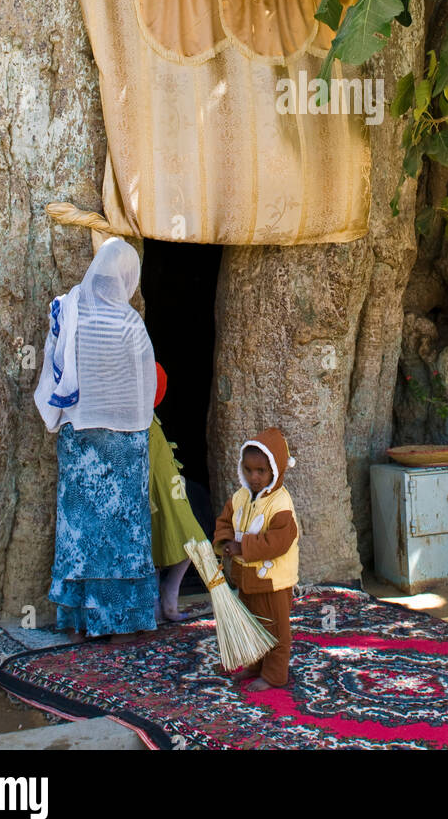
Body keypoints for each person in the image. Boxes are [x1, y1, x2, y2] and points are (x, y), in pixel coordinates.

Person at [34, 237, 157, 638]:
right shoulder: (129, 322)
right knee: (122, 533)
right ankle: (122, 618)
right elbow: (144, 387)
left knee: (82, 530)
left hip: (80, 440)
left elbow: (56, 370)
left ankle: (78, 620)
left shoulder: (70, 314)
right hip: (125, 445)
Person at [213, 427, 298, 690]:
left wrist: (243, 547)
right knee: (253, 624)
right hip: (246, 577)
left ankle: (274, 675)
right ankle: (255, 665)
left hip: (272, 580)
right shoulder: (239, 497)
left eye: (261, 471)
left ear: (275, 470)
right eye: (249, 470)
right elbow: (224, 522)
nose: (254, 477)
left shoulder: (281, 504)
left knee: (275, 630)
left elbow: (279, 542)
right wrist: (227, 542)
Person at [148, 366, 207, 621]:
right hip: (144, 491)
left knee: (189, 535)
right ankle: (155, 600)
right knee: (149, 542)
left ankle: (169, 590)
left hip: (167, 484)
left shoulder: (154, 429)